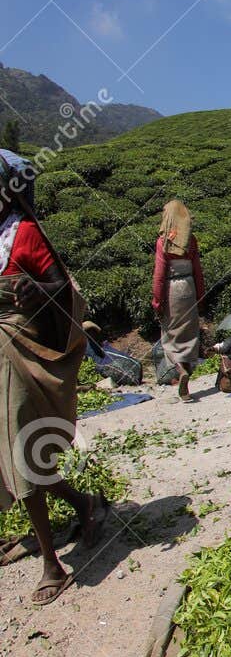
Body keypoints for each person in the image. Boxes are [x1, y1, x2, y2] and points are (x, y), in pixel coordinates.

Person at [0, 154, 110, 604]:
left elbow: (63, 289)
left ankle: (52, 563)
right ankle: (83, 504)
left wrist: (36, 290)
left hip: (18, 354)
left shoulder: (23, 233)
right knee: (10, 451)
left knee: (23, 448)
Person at [151, 198, 204, 401]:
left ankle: (180, 369)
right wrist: (200, 295)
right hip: (188, 287)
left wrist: (157, 301)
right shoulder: (191, 240)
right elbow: (198, 271)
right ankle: (187, 378)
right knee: (189, 334)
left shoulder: (163, 242)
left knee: (170, 335)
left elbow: (159, 274)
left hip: (171, 289)